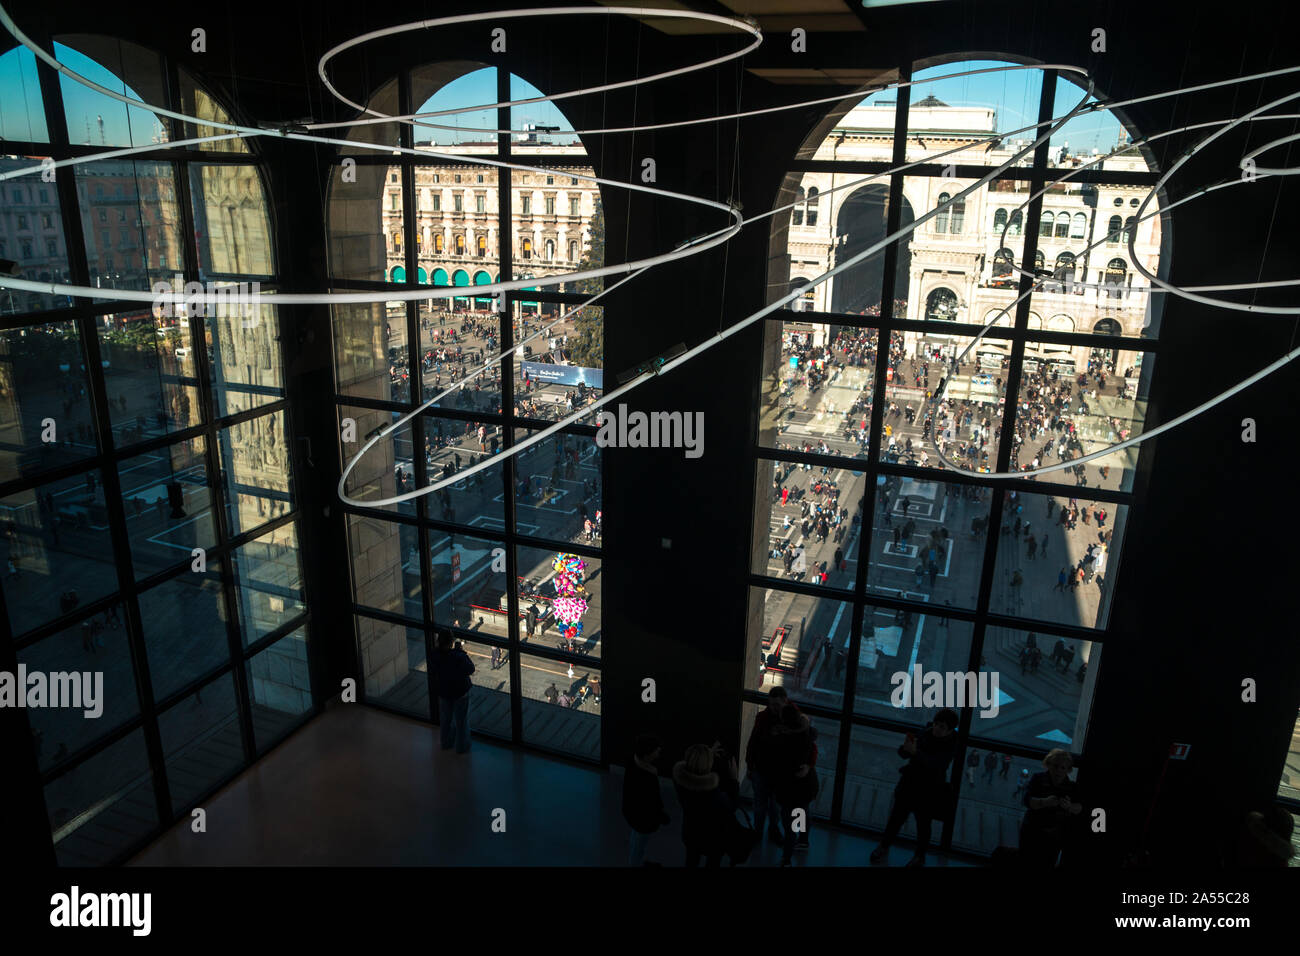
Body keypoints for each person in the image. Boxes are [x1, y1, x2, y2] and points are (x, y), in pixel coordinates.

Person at [870, 709, 959, 867]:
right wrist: (906, 749)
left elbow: (937, 764)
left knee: (921, 825)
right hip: (918, 785)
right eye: (937, 724)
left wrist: (913, 752)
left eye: (942, 727)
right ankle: (901, 851)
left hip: (926, 788)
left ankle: (909, 853)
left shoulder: (945, 742)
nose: (937, 729)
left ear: (950, 730)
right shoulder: (929, 733)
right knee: (899, 819)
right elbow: (907, 755)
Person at [672, 743, 740, 867]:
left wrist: (707, 754)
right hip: (713, 840)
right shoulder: (715, 796)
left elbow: (690, 765)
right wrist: (734, 780)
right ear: (708, 765)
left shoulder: (679, 782)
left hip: (690, 834)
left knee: (691, 860)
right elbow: (732, 806)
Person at [745, 688, 797, 843]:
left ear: (784, 701)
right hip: (777, 772)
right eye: (772, 705)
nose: (774, 708)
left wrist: (750, 765)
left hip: (763, 769)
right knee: (773, 806)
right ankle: (772, 830)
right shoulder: (792, 718)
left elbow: (753, 742)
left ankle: (759, 832)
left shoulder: (763, 718)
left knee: (762, 805)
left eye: (776, 705)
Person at [1019, 749, 1083, 867]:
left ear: (1068, 770)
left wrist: (1069, 806)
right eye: (1056, 766)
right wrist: (1045, 802)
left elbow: (1079, 808)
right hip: (1034, 833)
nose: (1058, 770)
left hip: (1050, 835)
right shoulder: (1038, 779)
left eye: (1063, 768)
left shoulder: (1072, 787)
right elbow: (1026, 800)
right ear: (1048, 765)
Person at [772, 705, 819, 865]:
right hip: (806, 786)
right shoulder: (808, 735)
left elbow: (780, 765)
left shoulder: (785, 742)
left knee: (790, 824)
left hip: (790, 790)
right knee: (803, 812)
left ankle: (786, 857)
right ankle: (803, 841)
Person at [623, 734, 670, 866]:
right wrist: (662, 816)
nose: (659, 751)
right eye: (656, 750)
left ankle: (639, 861)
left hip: (633, 814)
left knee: (636, 840)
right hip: (643, 819)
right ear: (647, 755)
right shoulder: (647, 778)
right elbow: (651, 804)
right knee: (638, 845)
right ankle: (636, 863)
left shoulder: (633, 763)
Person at [430, 630, 474, 754]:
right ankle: (461, 746)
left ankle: (446, 742)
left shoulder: (434, 655)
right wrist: (461, 653)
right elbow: (470, 668)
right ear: (451, 642)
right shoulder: (458, 656)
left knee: (445, 718)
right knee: (461, 720)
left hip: (444, 690)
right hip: (459, 691)